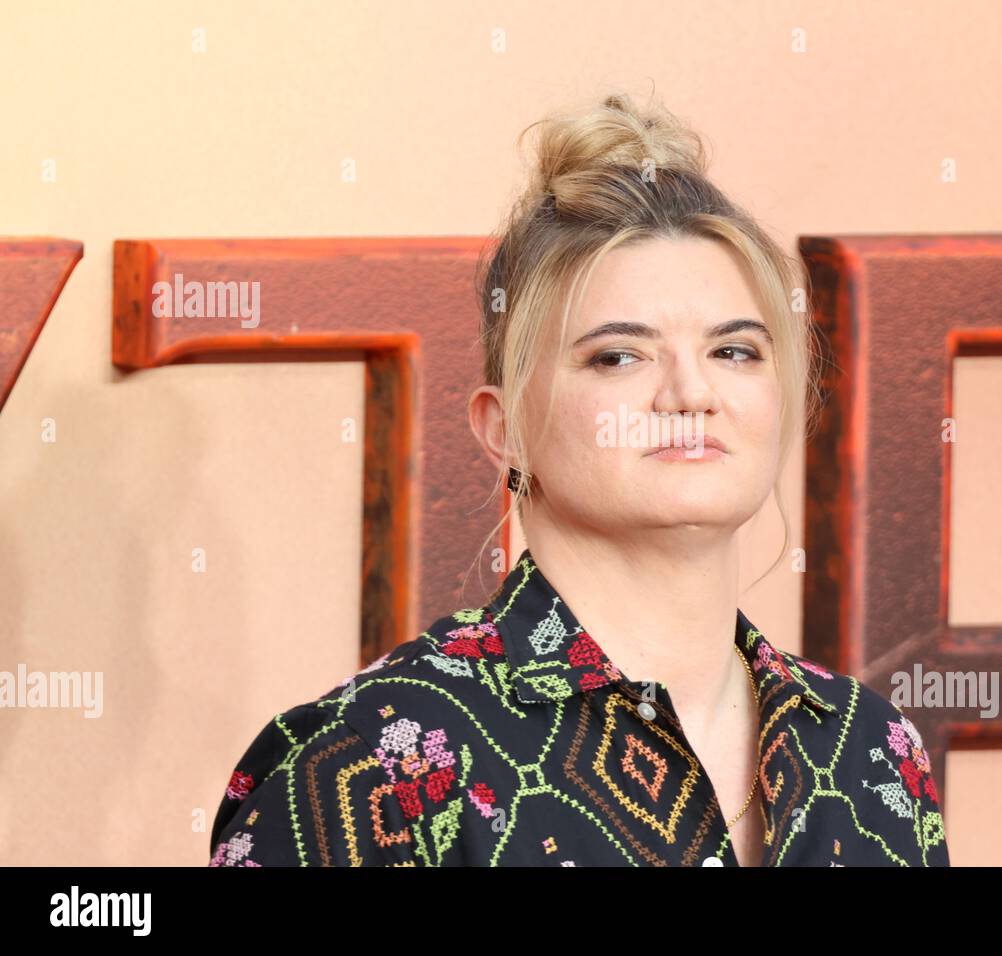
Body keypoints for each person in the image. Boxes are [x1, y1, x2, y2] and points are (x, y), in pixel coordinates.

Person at [208, 91, 950, 867]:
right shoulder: (369, 766)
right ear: (505, 430)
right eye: (617, 356)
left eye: (734, 351)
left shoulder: (869, 748)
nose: (691, 395)